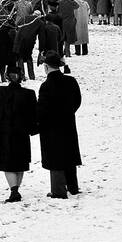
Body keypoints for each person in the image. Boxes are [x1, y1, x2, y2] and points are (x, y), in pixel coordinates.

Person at [0, 67, 39, 202]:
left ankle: (14, 191)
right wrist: (32, 129)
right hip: (22, 131)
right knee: (20, 162)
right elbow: (34, 115)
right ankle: (16, 190)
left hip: (4, 131)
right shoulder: (29, 94)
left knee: (7, 162)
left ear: (6, 76)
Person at [37, 52, 82, 198]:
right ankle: (73, 186)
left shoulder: (46, 86)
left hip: (51, 126)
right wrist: (69, 112)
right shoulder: (71, 81)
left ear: (46, 67)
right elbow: (77, 100)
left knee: (55, 157)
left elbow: (42, 109)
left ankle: (58, 190)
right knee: (69, 153)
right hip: (68, 122)